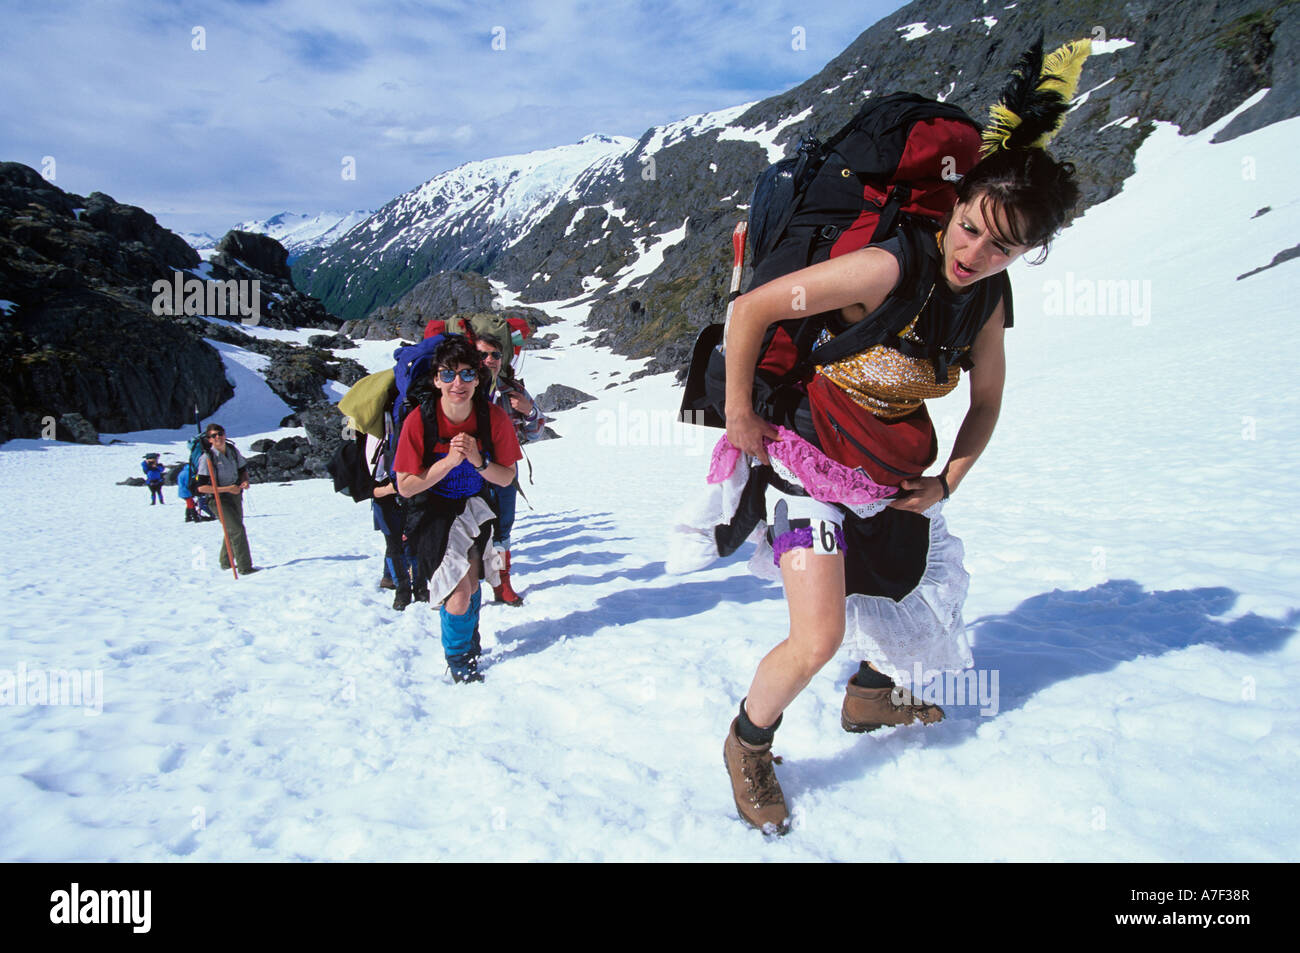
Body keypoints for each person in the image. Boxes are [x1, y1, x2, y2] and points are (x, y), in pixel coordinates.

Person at [692, 40, 1089, 833]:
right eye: (972, 228)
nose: (976, 254)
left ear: (1026, 252)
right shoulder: (890, 265)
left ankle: (873, 693)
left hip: (888, 471)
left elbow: (987, 401)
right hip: (807, 465)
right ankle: (747, 744)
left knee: (918, 590)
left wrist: (950, 481)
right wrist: (740, 412)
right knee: (818, 633)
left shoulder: (987, 301)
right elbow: (754, 309)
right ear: (961, 204)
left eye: (1002, 246)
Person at [394, 335, 522, 683]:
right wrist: (450, 461)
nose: (457, 384)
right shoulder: (420, 421)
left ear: (478, 379)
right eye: (448, 375)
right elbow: (405, 485)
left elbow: (507, 476)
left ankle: (468, 637)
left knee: (473, 580)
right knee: (460, 590)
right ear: (435, 379)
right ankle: (459, 657)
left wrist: (478, 462)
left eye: (467, 375)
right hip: (432, 511)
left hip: (477, 508)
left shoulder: (492, 418)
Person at [475, 332, 546, 605]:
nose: (489, 360)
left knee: (502, 530)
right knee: (468, 528)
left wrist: (528, 410)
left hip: (505, 468)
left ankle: (501, 583)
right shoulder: (463, 387)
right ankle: (468, 588)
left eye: (494, 354)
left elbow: (535, 432)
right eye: (482, 355)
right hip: (470, 469)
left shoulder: (511, 390)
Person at [194, 424, 259, 575]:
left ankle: (226, 561)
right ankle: (245, 567)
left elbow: (242, 470)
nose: (218, 437)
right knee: (237, 529)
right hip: (217, 499)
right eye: (214, 435)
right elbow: (201, 487)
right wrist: (227, 489)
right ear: (209, 439)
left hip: (235, 495)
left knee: (232, 528)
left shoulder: (233, 451)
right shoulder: (207, 458)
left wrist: (245, 481)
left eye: (220, 434)